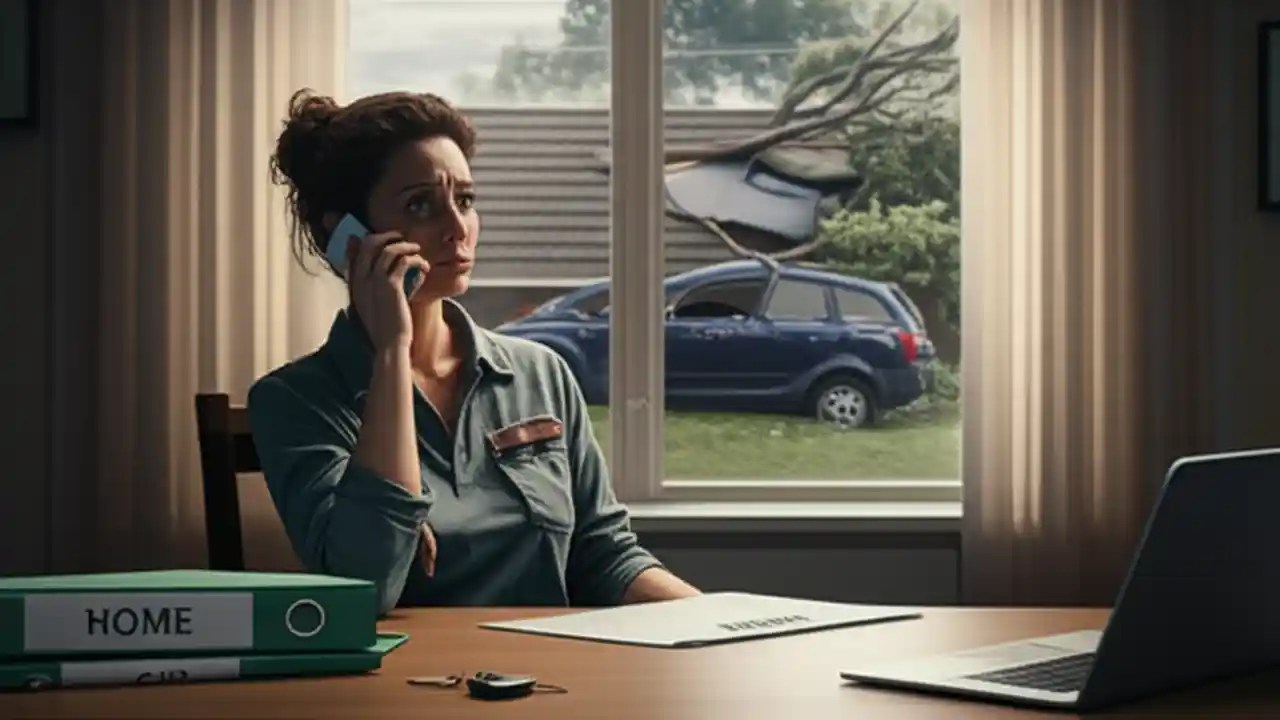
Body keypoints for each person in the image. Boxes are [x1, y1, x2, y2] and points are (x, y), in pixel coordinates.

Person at [249, 89, 701, 615]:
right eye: (421, 204)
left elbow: (603, 556)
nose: (457, 228)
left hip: (549, 677)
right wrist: (391, 353)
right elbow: (364, 586)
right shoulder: (294, 401)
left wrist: (723, 622)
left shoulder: (541, 374)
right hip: (400, 687)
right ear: (349, 238)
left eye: (464, 200)